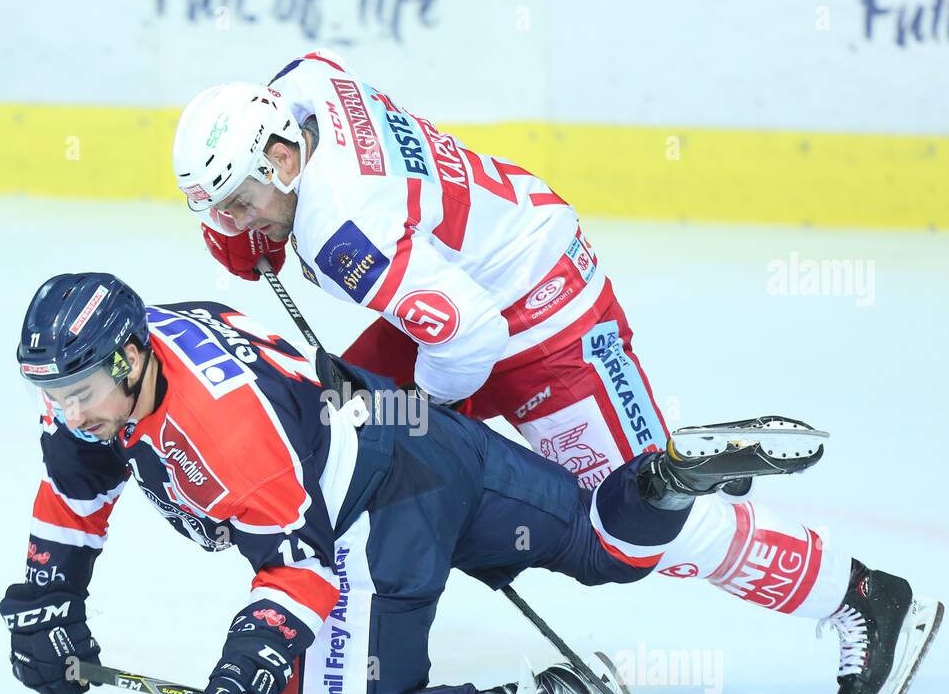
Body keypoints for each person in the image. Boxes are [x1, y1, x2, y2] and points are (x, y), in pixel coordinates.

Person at [0, 273, 943, 694]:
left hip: (371, 518)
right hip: (414, 427)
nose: (68, 412)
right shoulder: (118, 383)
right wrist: (49, 596)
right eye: (54, 395)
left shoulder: (229, 435)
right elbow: (74, 491)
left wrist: (249, 659)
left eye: (78, 391)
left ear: (128, 359)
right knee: (603, 546)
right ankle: (690, 499)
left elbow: (299, 574)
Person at [172, 49, 671, 493]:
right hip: (481, 266)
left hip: (541, 315)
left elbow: (471, 335)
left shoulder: (340, 232)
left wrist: (416, 413)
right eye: (221, 209)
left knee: (640, 517)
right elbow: (298, 70)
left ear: (282, 160)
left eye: (238, 203)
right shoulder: (307, 86)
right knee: (332, 425)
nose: (235, 222)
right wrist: (247, 216)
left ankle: (734, 519)